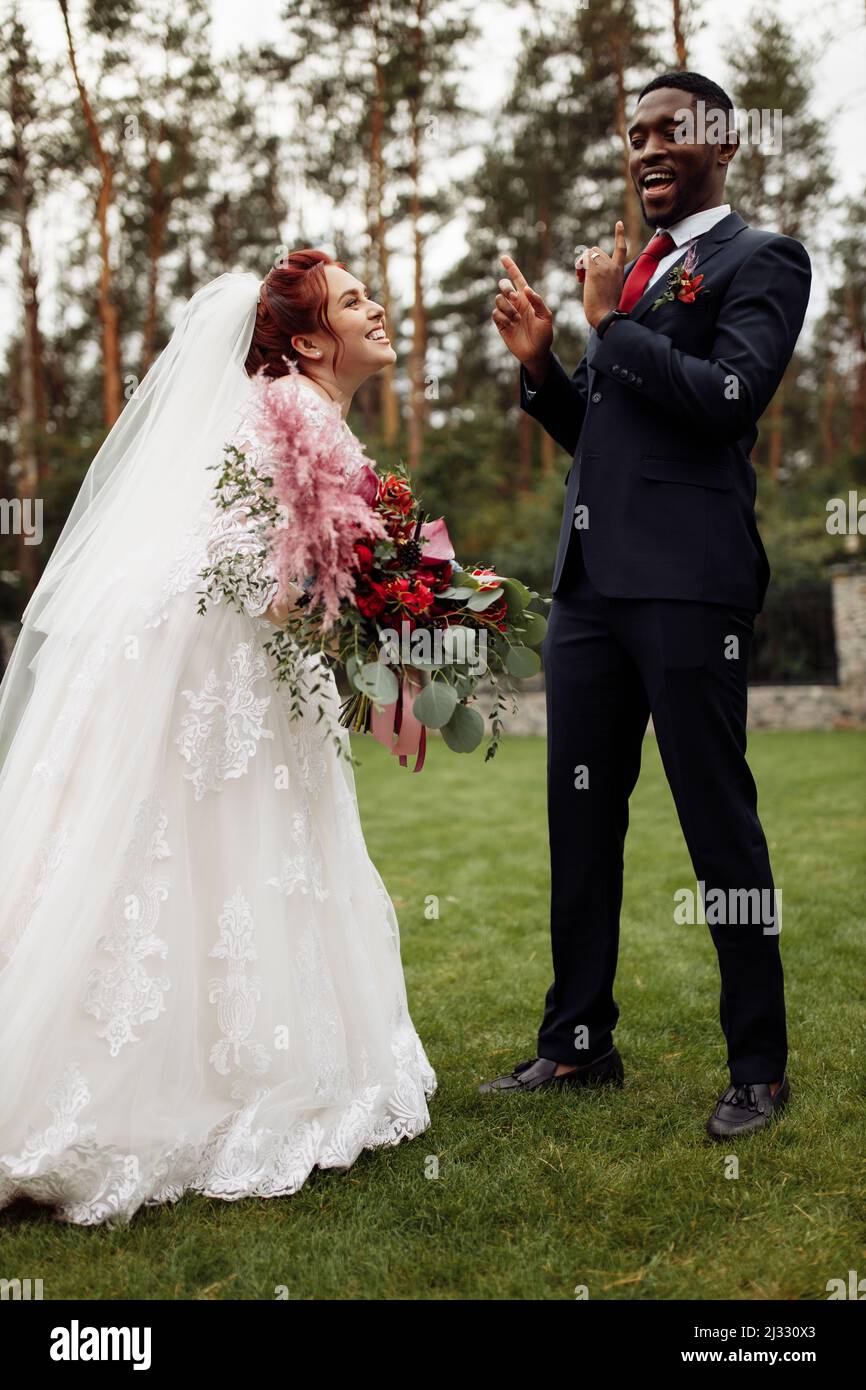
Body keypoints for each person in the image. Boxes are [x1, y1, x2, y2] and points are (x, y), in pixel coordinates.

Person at [0, 251, 436, 1226]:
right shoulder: (296, 417)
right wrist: (379, 648)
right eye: (353, 301)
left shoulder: (283, 408)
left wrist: (377, 626)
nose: (376, 308)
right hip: (215, 665)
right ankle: (164, 1085)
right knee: (205, 847)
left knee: (171, 852)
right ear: (310, 339)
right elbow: (277, 583)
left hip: (206, 653)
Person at [484, 72, 812, 1139]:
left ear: (719, 141)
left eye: (667, 129)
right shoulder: (630, 284)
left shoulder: (760, 259)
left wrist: (604, 321)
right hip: (589, 597)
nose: (644, 149)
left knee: (718, 822)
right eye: (632, 135)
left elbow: (726, 401)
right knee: (577, 820)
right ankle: (576, 1044)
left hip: (688, 586)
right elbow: (611, 435)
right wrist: (543, 369)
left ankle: (756, 1063)